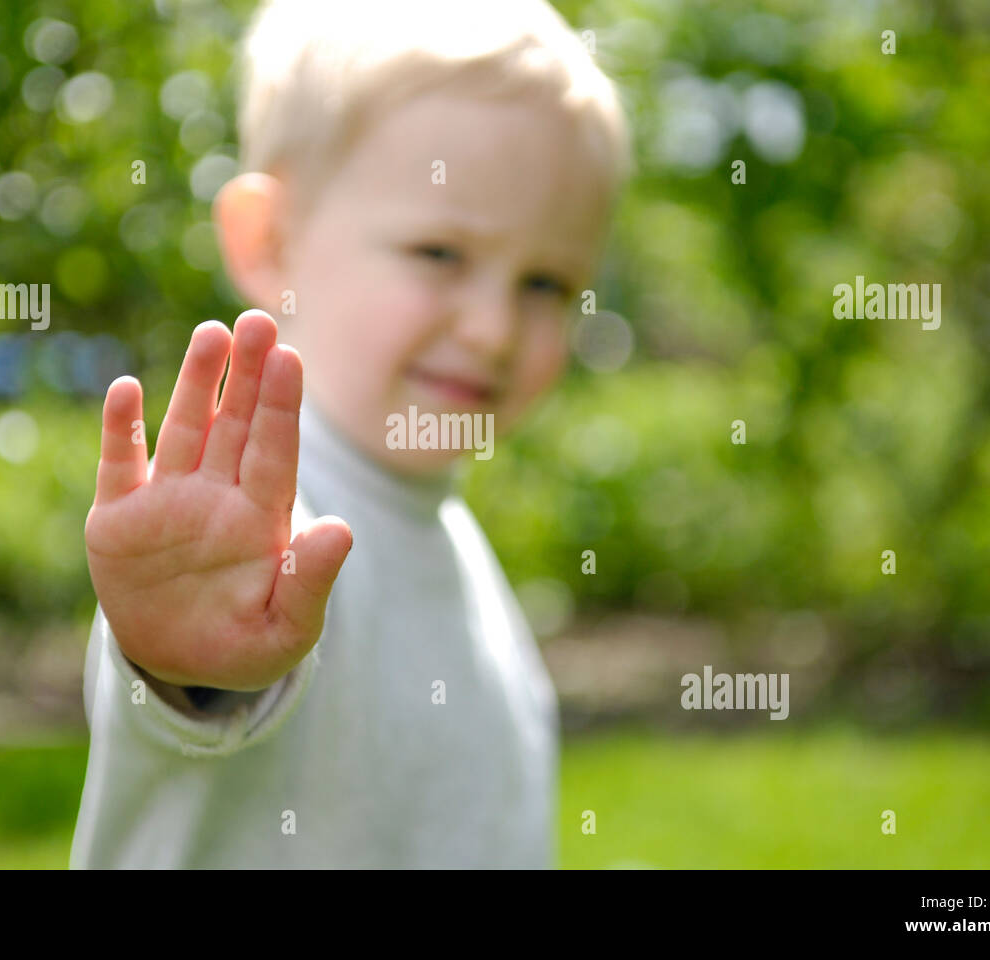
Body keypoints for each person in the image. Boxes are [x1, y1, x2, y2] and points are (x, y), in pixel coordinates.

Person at [70, 0, 631, 868]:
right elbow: (216, 674)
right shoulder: (266, 534)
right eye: (440, 253)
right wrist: (180, 664)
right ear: (272, 240)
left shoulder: (443, 536)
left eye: (548, 283)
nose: (493, 328)